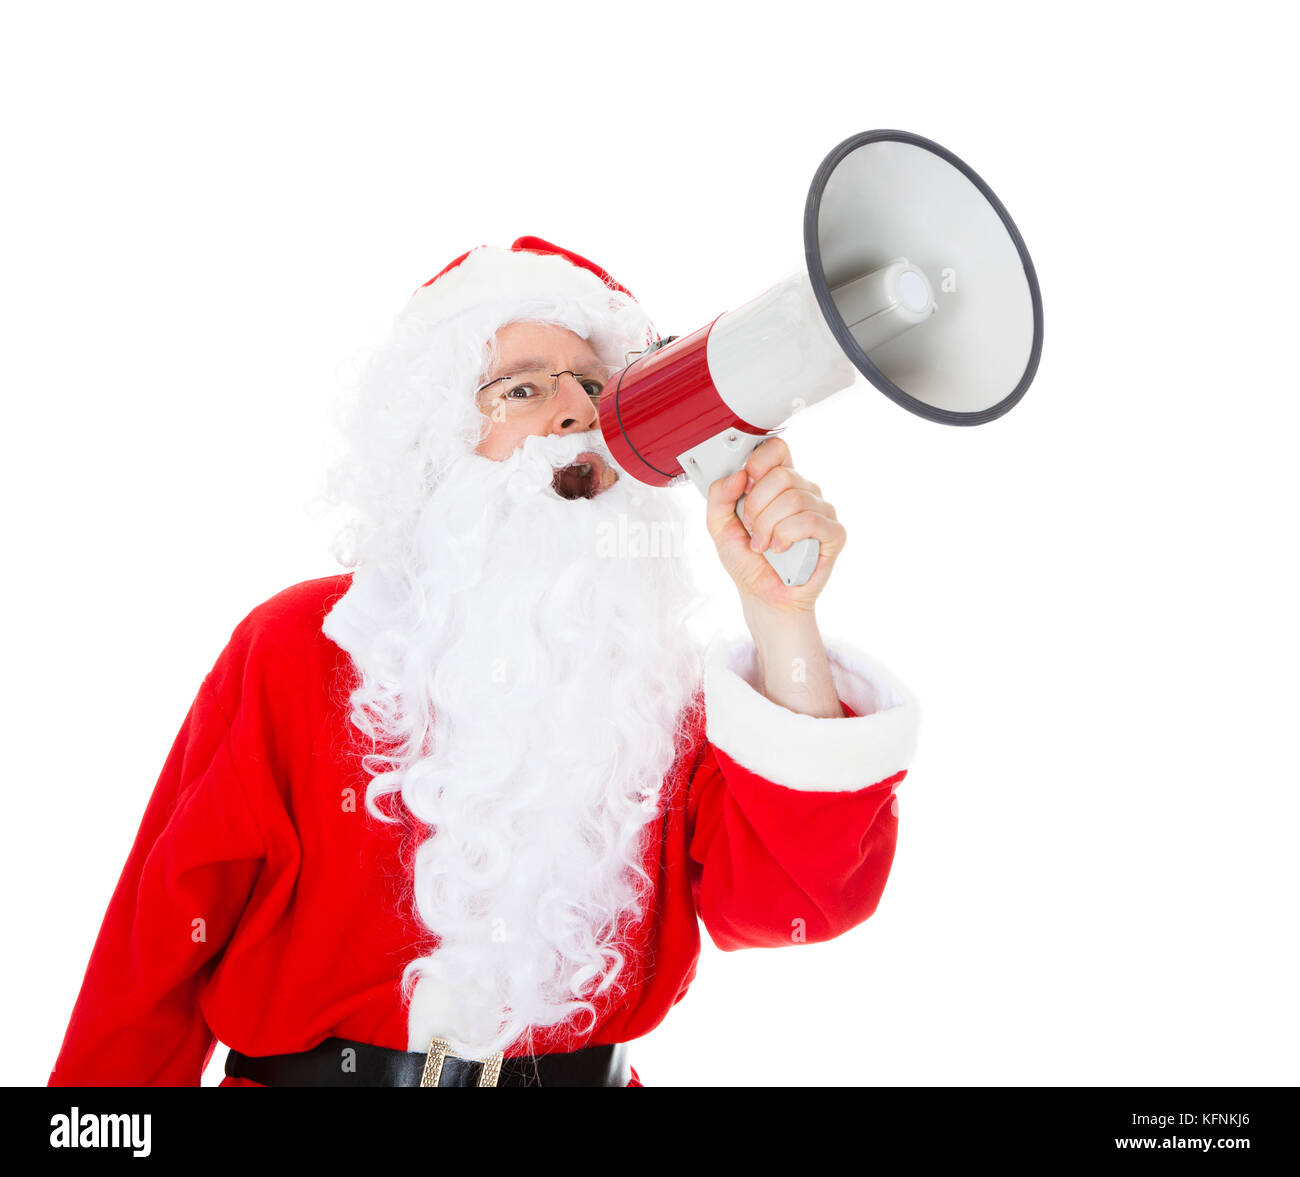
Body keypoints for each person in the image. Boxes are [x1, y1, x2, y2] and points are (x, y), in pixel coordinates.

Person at [47, 236, 920, 1087]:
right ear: (439, 442)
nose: (577, 412)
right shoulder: (302, 643)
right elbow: (154, 949)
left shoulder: (655, 683)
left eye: (595, 387)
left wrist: (780, 619)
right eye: (524, 389)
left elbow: (796, 905)